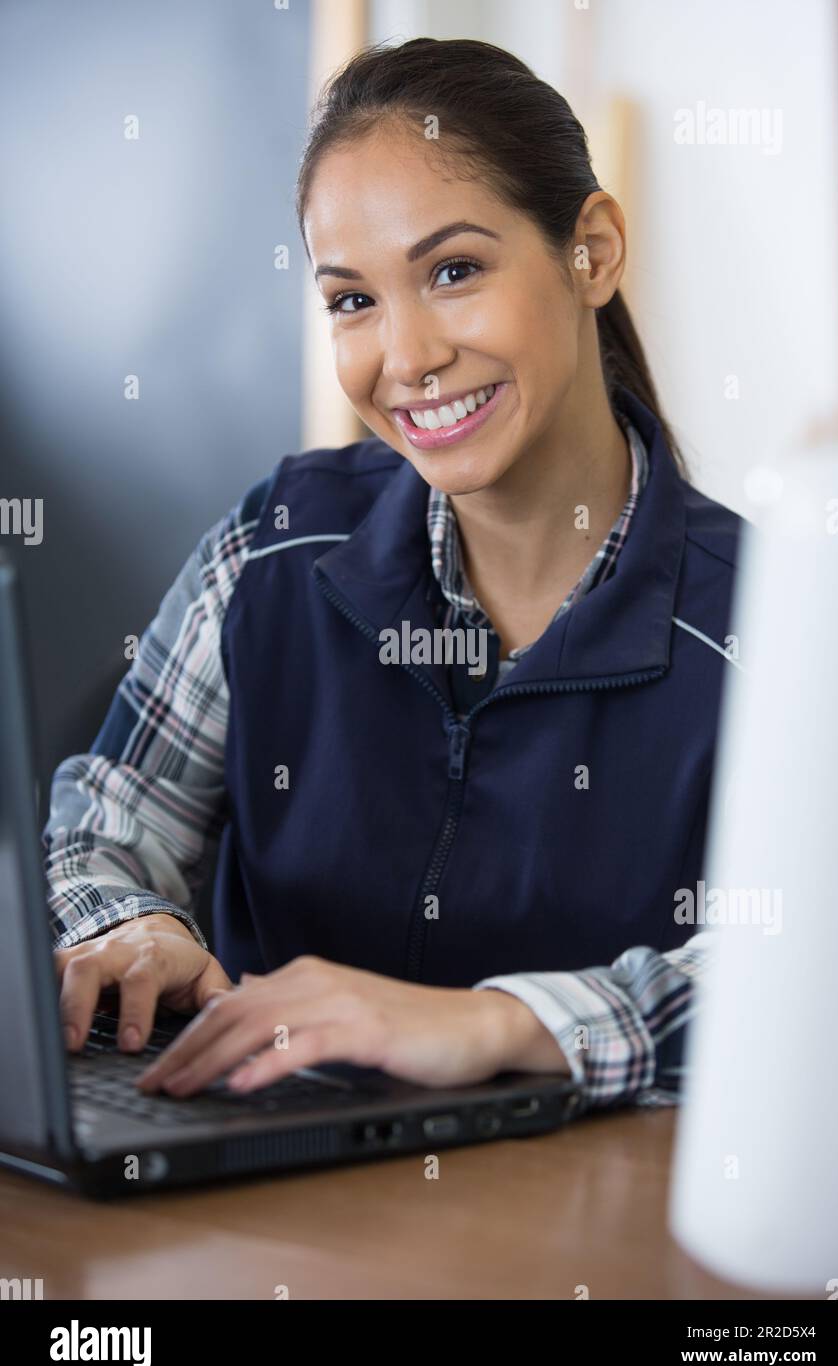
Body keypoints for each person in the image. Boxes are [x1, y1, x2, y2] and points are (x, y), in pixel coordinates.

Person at [44, 38, 740, 1108]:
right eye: (352, 301)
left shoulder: (774, 630)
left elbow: (815, 977)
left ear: (590, 251)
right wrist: (131, 926)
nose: (404, 356)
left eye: (452, 271)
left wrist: (492, 1023)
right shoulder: (270, 544)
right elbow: (104, 821)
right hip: (261, 1220)